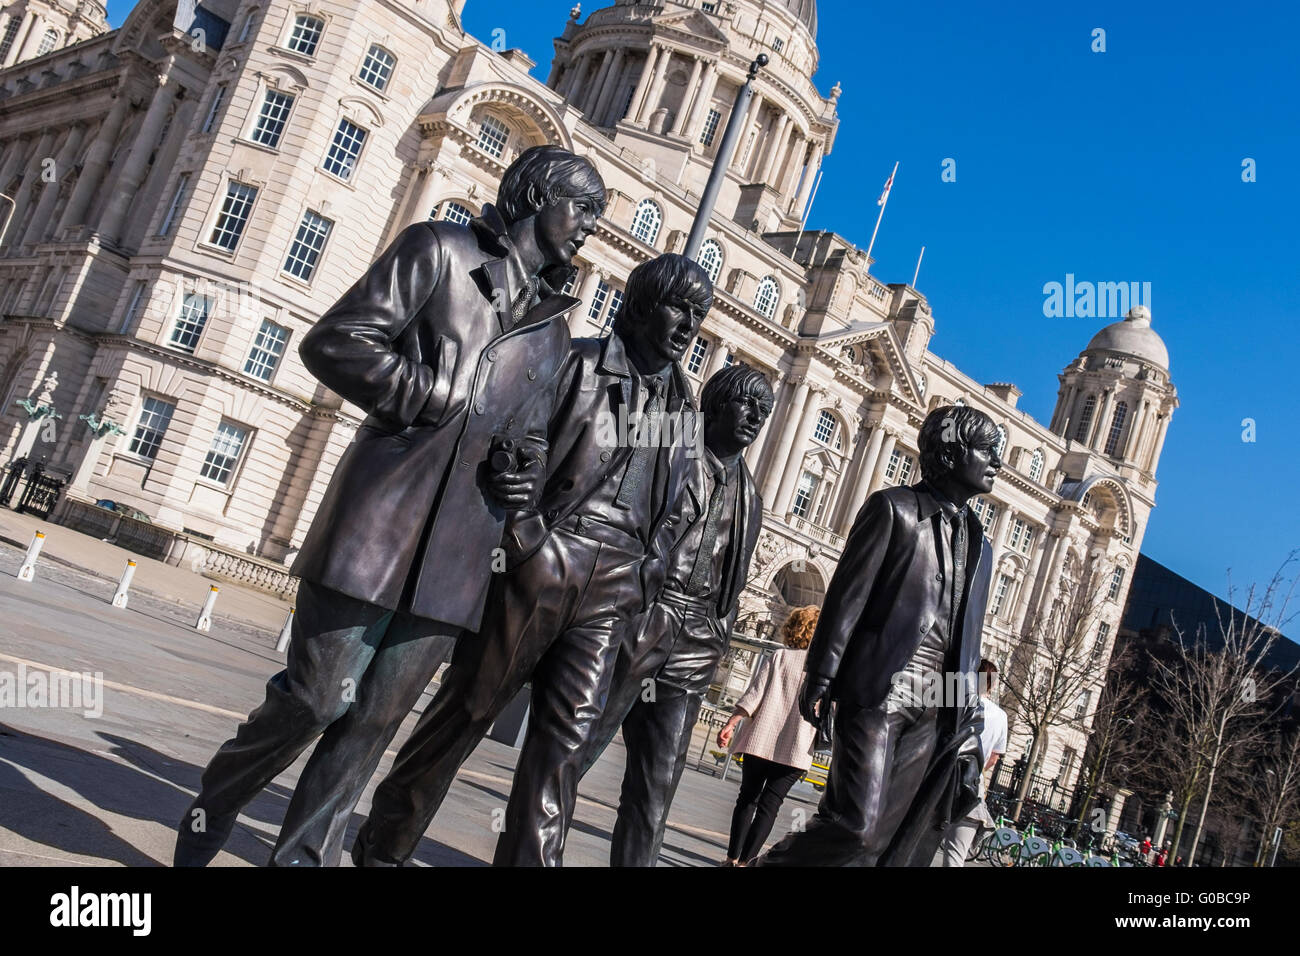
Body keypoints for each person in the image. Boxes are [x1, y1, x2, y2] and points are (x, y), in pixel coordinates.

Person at [173, 145, 605, 867]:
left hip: (463, 549)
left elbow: (528, 434)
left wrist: (521, 475)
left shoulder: (557, 331)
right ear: (537, 195)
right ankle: (213, 806)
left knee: (373, 722)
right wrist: (426, 395)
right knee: (314, 700)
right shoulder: (439, 249)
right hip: (378, 522)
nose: (591, 226)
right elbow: (336, 342)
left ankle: (302, 861)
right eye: (583, 208)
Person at [353, 253, 708, 867]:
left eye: (700, 315)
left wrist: (649, 571)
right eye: (681, 307)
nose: (689, 326)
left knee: (564, 748)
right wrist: (526, 539)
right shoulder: (579, 363)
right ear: (646, 303)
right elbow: (516, 446)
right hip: (548, 559)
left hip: (619, 583)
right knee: (467, 711)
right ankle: (383, 849)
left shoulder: (683, 408)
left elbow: (674, 504)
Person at [759, 404, 1002, 867]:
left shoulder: (980, 543)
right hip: (882, 685)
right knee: (854, 825)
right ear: (950, 453)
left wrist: (967, 713)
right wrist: (822, 673)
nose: (997, 462)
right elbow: (847, 597)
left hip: (941, 700)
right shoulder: (896, 510)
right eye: (986, 450)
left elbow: (970, 633)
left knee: (889, 842)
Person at [574, 363, 773, 866]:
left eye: (764, 411)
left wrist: (717, 634)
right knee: (574, 751)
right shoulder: (670, 454)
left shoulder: (750, 492)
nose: (754, 418)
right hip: (645, 613)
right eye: (746, 404)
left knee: (656, 786)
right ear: (716, 402)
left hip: (697, 639)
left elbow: (735, 572)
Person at [716, 605, 821, 866]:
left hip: (760, 741)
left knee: (747, 798)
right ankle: (746, 863)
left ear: (794, 627)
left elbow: (755, 693)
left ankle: (731, 859)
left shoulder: (780, 657)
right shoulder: (824, 672)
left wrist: (732, 722)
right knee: (769, 806)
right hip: (796, 747)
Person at [932, 659, 1007, 866]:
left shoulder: (957, 701)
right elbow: (994, 756)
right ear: (993, 684)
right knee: (955, 857)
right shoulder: (1001, 716)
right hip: (971, 788)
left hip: (941, 781)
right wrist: (976, 770)